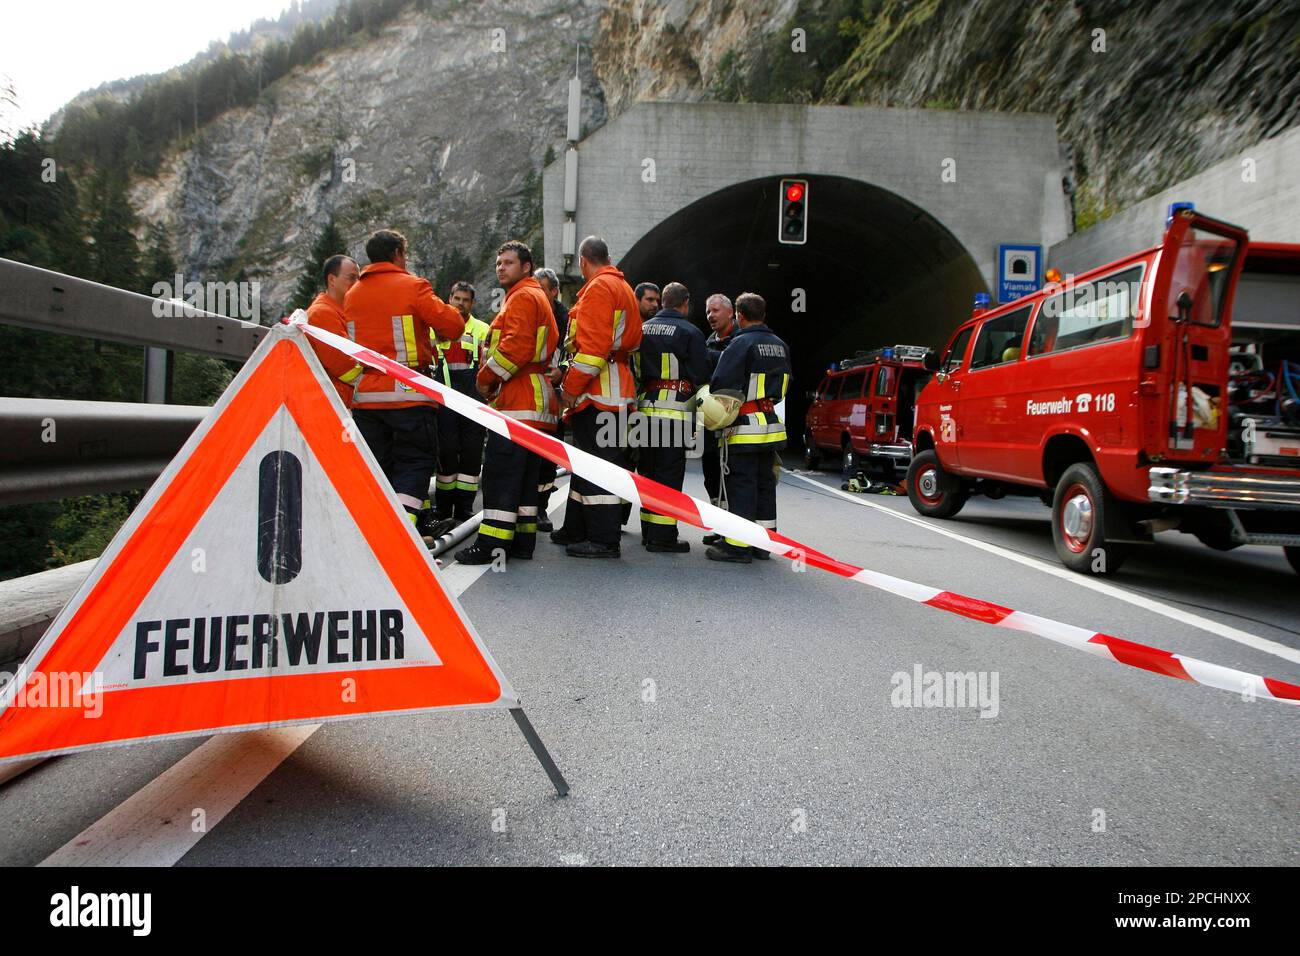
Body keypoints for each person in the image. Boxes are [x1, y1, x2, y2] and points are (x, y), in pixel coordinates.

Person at [344, 229, 465, 537]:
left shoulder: (352, 294)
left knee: (379, 468)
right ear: (398, 253)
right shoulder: (413, 286)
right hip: (409, 395)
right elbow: (453, 326)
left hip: (367, 399)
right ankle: (402, 535)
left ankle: (376, 533)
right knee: (414, 465)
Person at [455, 241, 559, 565]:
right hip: (532, 399)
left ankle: (491, 547)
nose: (501, 267)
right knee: (525, 480)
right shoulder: (532, 296)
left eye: (508, 262)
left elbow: (517, 347)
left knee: (500, 476)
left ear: (526, 267)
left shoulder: (524, 297)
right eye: (498, 262)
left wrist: (485, 379)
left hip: (517, 398)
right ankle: (521, 542)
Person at [552, 236, 643, 558]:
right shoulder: (623, 288)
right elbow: (628, 343)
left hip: (598, 394)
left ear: (583, 260)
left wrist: (568, 391)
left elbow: (591, 353)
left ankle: (604, 540)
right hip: (615, 391)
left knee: (599, 468)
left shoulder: (599, 289)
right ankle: (575, 528)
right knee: (587, 464)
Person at [705, 292, 791, 564]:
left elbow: (722, 385)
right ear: (763, 314)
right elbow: (784, 386)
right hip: (771, 427)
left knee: (740, 484)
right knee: (765, 485)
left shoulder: (740, 345)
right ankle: (764, 544)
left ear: (739, 316)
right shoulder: (780, 345)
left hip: (743, 427)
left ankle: (738, 546)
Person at [635, 282, 707, 552]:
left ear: (663, 302)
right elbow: (700, 375)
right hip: (674, 413)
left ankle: (648, 531)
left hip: (644, 408)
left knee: (648, 472)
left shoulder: (642, 328)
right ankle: (663, 537)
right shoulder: (691, 331)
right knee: (668, 474)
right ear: (685, 303)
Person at [432, 281, 491, 525]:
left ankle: (464, 507)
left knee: (471, 454)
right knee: (446, 453)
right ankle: (444, 507)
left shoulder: (482, 329)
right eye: (457, 298)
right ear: (449, 299)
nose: (461, 303)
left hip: (473, 400)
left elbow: (488, 364)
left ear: (472, 303)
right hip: (444, 398)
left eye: (466, 300)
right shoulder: (435, 327)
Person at [701, 293, 738, 545]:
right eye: (707, 312)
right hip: (711, 421)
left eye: (715, 310)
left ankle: (734, 530)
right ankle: (719, 525)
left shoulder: (740, 341)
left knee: (732, 475)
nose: (711, 316)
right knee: (711, 473)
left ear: (731, 313)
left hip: (734, 420)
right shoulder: (709, 342)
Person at [304, 253, 364, 407]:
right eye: (351, 278)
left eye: (359, 278)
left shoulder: (340, 311)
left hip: (341, 402)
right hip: (332, 405)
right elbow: (346, 369)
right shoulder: (321, 314)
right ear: (332, 279)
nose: (357, 283)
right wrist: (378, 382)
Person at [534, 267, 567, 533]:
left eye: (541, 288)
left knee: (547, 454)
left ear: (554, 291)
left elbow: (577, 351)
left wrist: (563, 370)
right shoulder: (526, 309)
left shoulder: (566, 318)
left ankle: (540, 508)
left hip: (553, 394)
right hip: (525, 394)